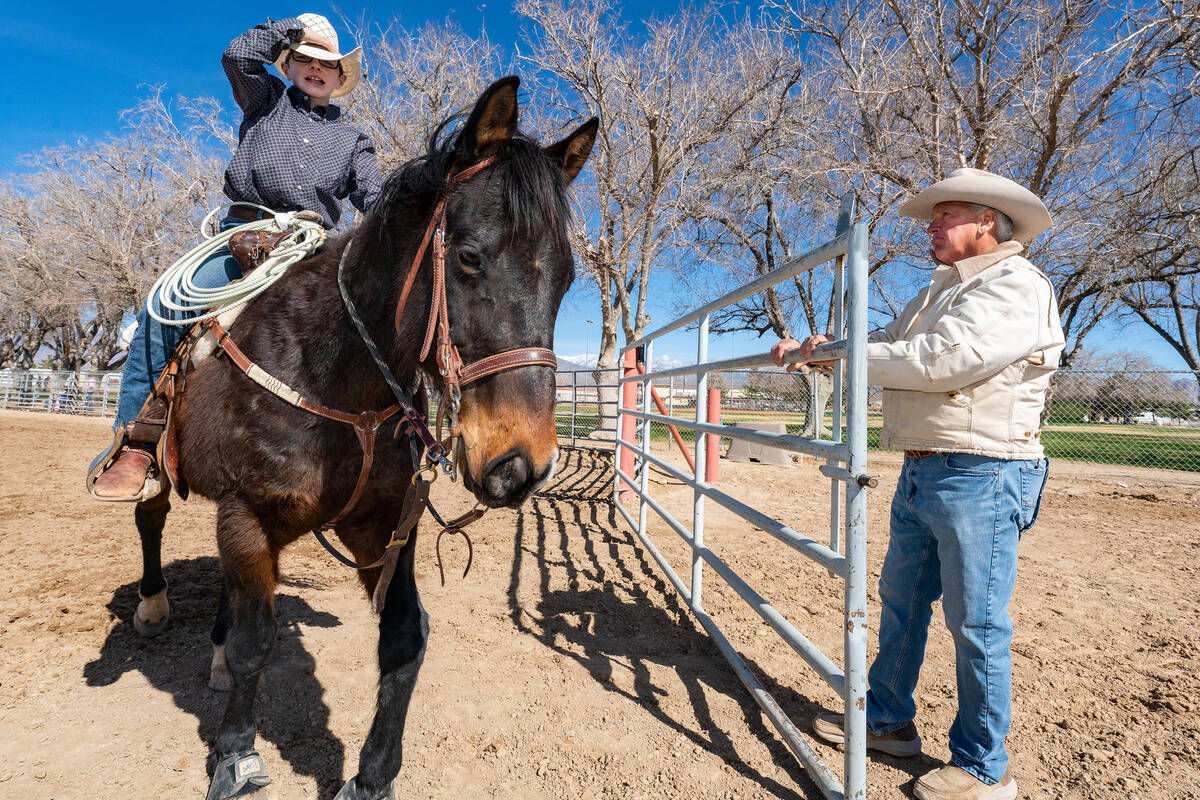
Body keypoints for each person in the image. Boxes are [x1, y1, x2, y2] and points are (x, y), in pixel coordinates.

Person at [771, 168, 1064, 800]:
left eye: (945, 214)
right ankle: (887, 720)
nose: (931, 225)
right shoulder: (942, 289)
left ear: (987, 219)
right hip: (929, 465)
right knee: (902, 600)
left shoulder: (1015, 285)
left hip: (984, 469)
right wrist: (825, 348)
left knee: (977, 622)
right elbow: (888, 343)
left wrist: (839, 355)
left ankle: (985, 768)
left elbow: (941, 360)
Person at [92, 13, 382, 500]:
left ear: (339, 78)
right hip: (243, 233)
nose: (316, 67)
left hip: (311, 245)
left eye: (327, 63)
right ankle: (138, 444)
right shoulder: (265, 101)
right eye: (305, 58)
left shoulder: (354, 140)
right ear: (288, 66)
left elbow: (374, 198)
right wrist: (290, 28)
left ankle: (389, 439)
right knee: (164, 309)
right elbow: (238, 57)